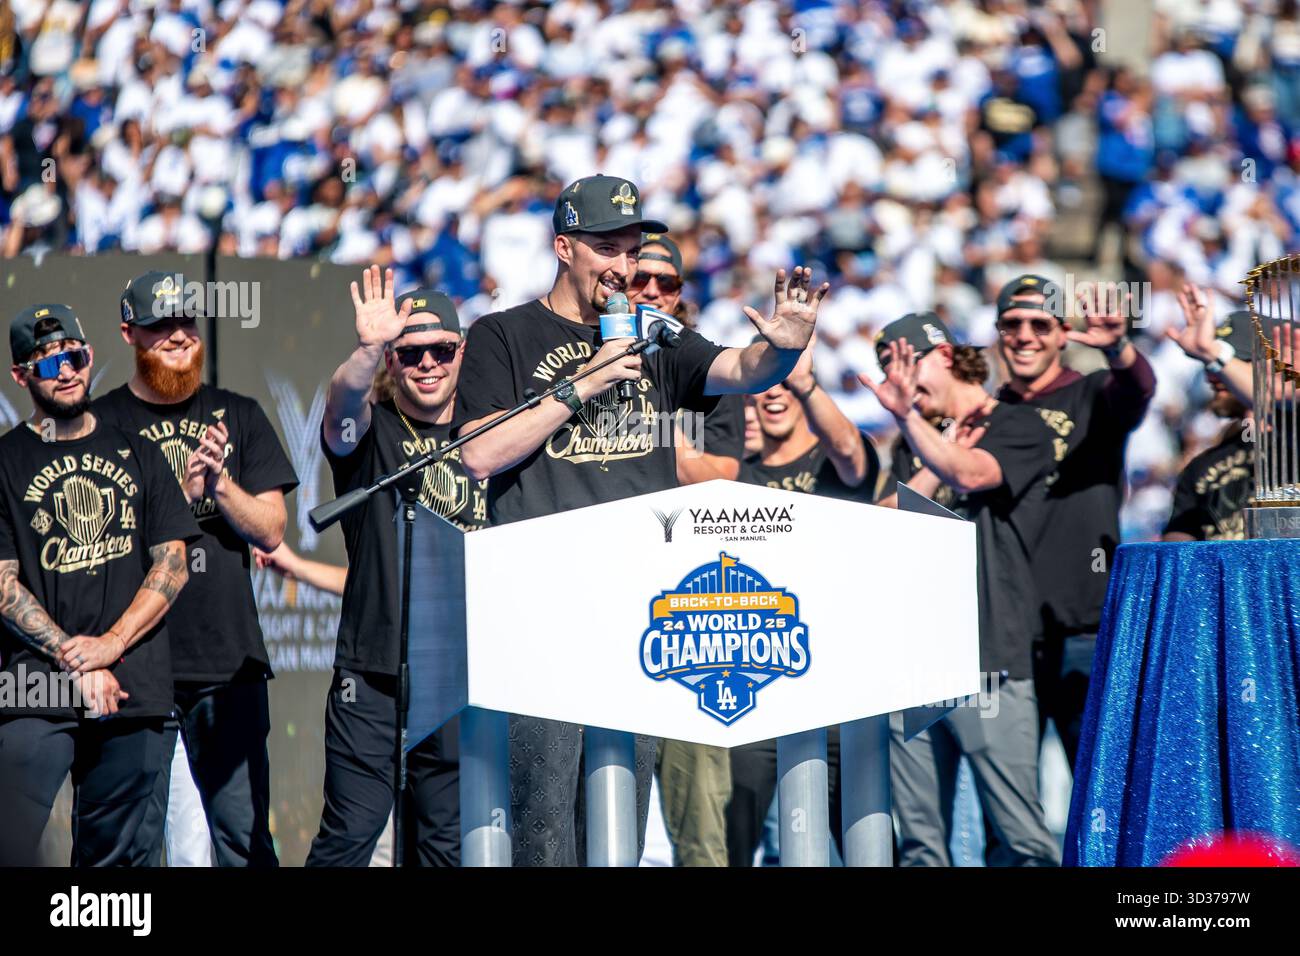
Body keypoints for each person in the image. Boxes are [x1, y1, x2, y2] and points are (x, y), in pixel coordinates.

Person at [453, 174, 827, 867]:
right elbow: (478, 452)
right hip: (541, 613)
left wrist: (781, 349)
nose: (623, 266)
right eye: (606, 248)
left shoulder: (661, 338)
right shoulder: (501, 335)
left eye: (631, 248)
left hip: (642, 610)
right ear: (564, 247)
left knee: (619, 826)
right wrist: (585, 382)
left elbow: (741, 369)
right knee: (544, 829)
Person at [95, 271, 298, 868]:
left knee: (243, 839)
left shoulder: (239, 414)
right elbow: (99, 543)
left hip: (225, 660)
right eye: (161, 325)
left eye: (187, 320)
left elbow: (272, 528)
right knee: (133, 845)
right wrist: (177, 496)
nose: (179, 334)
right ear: (129, 332)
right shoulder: (102, 423)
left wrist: (222, 486)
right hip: (135, 660)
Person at [0, 304, 198, 865]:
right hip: (36, 687)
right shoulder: (6, 461)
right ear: (22, 377)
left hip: (134, 684)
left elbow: (173, 563)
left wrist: (110, 646)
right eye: (47, 363)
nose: (66, 371)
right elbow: (2, 585)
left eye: (75, 356)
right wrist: (77, 663)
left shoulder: (138, 451)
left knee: (117, 868)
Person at [864, 312, 1060, 867]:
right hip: (914, 664)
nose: (897, 380)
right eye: (884, 368)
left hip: (987, 658)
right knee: (922, 849)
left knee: (1021, 840)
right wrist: (919, 437)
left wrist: (915, 427)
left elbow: (970, 475)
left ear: (946, 357)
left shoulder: (1018, 424)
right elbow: (879, 522)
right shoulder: (912, 439)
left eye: (904, 363)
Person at [307, 269, 487, 867]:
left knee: (443, 848)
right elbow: (340, 408)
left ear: (462, 351)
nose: (428, 364)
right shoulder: (372, 431)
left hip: (462, 678)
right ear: (393, 359)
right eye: (411, 354)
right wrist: (366, 350)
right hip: (373, 675)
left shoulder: (493, 437)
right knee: (348, 842)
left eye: (442, 350)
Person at [990, 274, 1155, 771]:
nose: (1024, 336)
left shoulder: (1090, 396)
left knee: (1100, 786)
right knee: (1010, 812)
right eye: (1011, 323)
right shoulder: (987, 412)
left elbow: (1138, 387)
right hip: (1008, 636)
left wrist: (1120, 348)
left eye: (1040, 324)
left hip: (1084, 630)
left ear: (1063, 333)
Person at [727, 338, 880, 866]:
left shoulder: (828, 462)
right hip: (753, 690)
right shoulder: (731, 477)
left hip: (838, 688)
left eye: (783, 385)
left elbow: (853, 456)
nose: (771, 396)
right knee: (733, 835)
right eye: (759, 387)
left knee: (859, 837)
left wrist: (806, 382)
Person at [628, 231, 744, 867]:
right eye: (638, 280)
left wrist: (640, 453)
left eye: (665, 284)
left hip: (690, 611)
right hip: (606, 595)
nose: (650, 293)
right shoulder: (584, 360)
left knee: (698, 815)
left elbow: (724, 472)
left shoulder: (705, 371)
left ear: (681, 297)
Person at [1163, 315, 1255, 541]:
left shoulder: (1292, 445)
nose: (1211, 376)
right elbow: (1178, 549)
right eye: (1208, 364)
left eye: (1226, 364)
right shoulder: (1201, 466)